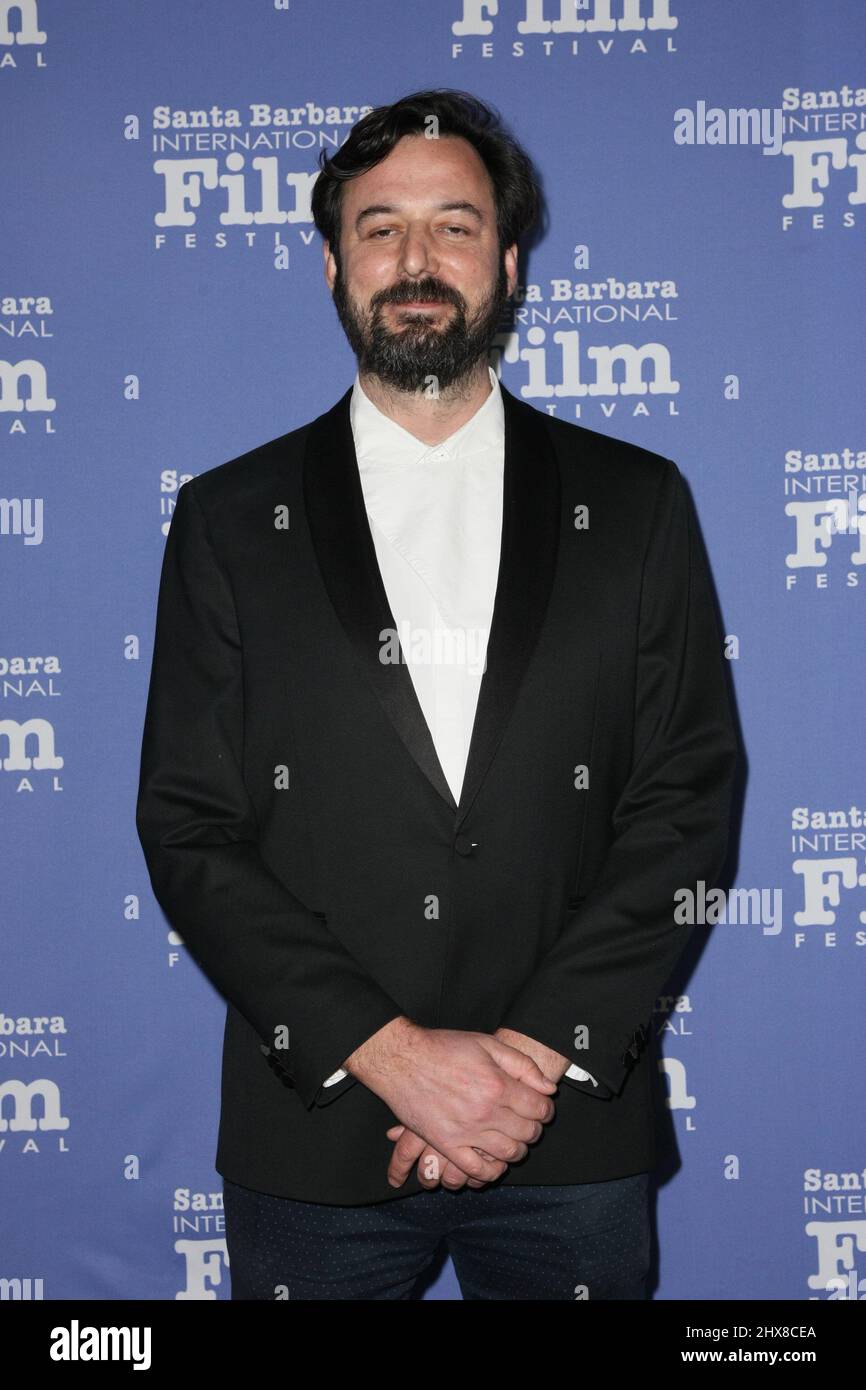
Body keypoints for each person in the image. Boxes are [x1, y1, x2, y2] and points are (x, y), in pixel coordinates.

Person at [135, 88, 738, 1300]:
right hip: (313, 1131)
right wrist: (397, 1058)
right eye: (380, 228)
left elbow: (685, 798)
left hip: (566, 1125)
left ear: (509, 262)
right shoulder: (225, 520)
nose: (416, 260)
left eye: (454, 226)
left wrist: (519, 1065)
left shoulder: (635, 505)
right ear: (330, 264)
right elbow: (189, 824)